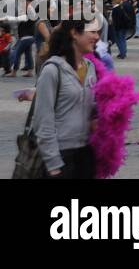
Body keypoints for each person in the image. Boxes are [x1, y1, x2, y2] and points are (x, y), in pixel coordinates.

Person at [31, 19, 101, 178]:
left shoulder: (90, 67)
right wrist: (53, 164)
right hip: (60, 155)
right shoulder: (52, 70)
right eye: (93, 31)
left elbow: (89, 108)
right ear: (75, 33)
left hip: (85, 153)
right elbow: (43, 120)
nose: (97, 37)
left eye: (98, 32)